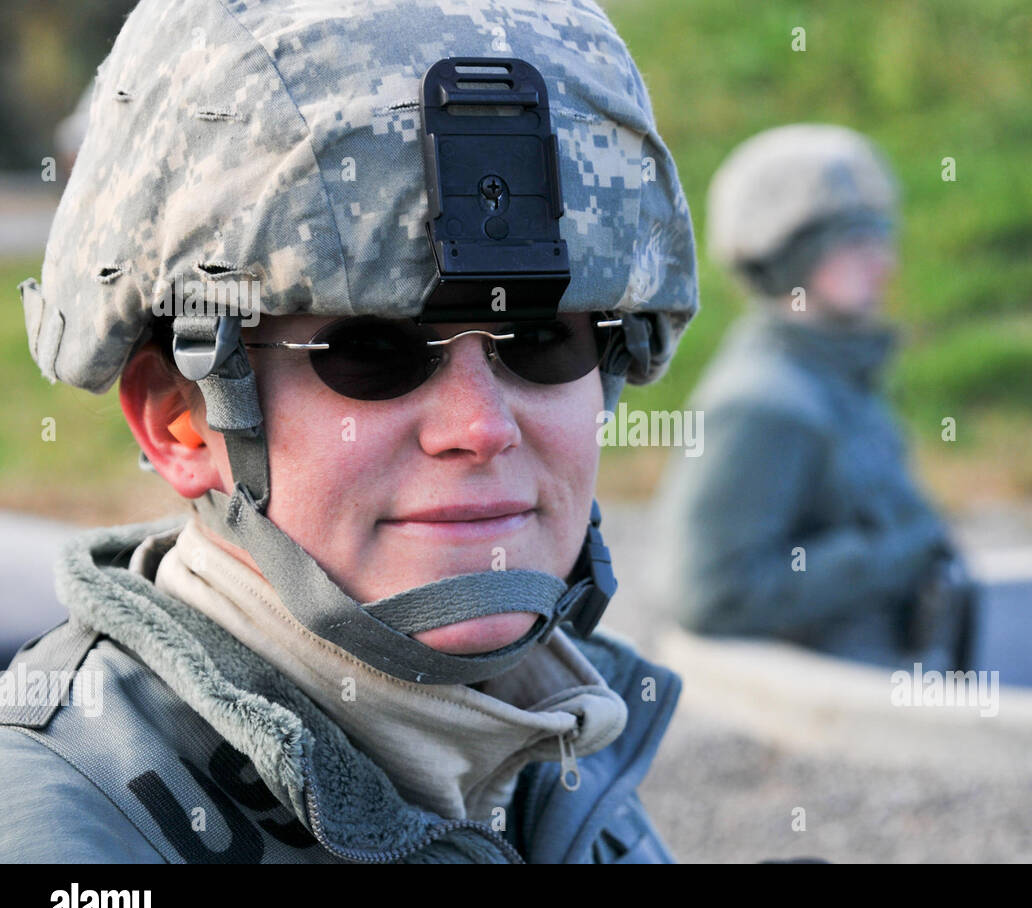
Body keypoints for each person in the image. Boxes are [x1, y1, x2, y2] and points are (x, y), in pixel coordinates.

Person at [0, 0, 697, 864]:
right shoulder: (63, 833)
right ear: (179, 420)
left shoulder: (549, 753)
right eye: (371, 352)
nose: (480, 427)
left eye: (545, 339)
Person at [654, 123, 974, 670]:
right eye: (856, 242)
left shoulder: (831, 373)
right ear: (794, 259)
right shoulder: (761, 403)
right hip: (837, 715)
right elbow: (711, 594)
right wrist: (899, 550)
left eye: (882, 237)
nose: (885, 263)